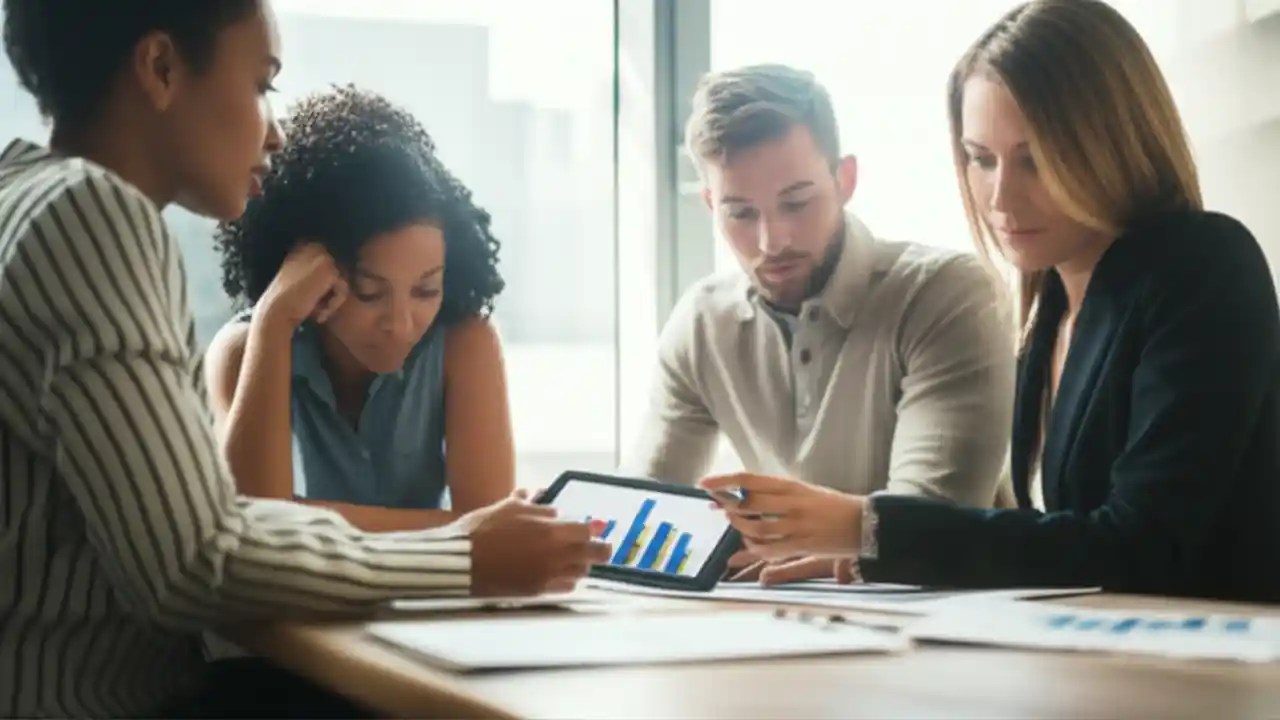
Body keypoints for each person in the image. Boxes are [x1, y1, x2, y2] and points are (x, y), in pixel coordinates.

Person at [0, 1, 609, 716]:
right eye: (262, 85)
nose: (274, 130)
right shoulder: (91, 214)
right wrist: (464, 554)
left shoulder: (20, 196)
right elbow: (196, 561)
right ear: (161, 68)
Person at [703, 0, 1280, 602]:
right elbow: (1063, 540)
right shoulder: (1052, 306)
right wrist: (866, 554)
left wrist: (866, 527)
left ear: (1110, 142)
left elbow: (1142, 544)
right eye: (981, 159)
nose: (1000, 195)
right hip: (1116, 664)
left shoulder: (1203, 264)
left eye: (1034, 159)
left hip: (1223, 673)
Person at [624, 64, 1015, 583]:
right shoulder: (701, 323)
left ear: (844, 179)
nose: (772, 241)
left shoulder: (946, 294)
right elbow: (645, 518)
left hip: (945, 620)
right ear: (711, 204)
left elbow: (932, 523)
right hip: (781, 619)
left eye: (797, 202)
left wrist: (794, 544)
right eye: (741, 213)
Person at [206, 85, 513, 533]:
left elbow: (495, 531)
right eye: (370, 293)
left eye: (426, 290)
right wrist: (275, 318)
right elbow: (251, 526)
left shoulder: (466, 342)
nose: (401, 325)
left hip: (435, 601)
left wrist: (302, 516)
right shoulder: (246, 349)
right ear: (308, 274)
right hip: (303, 603)